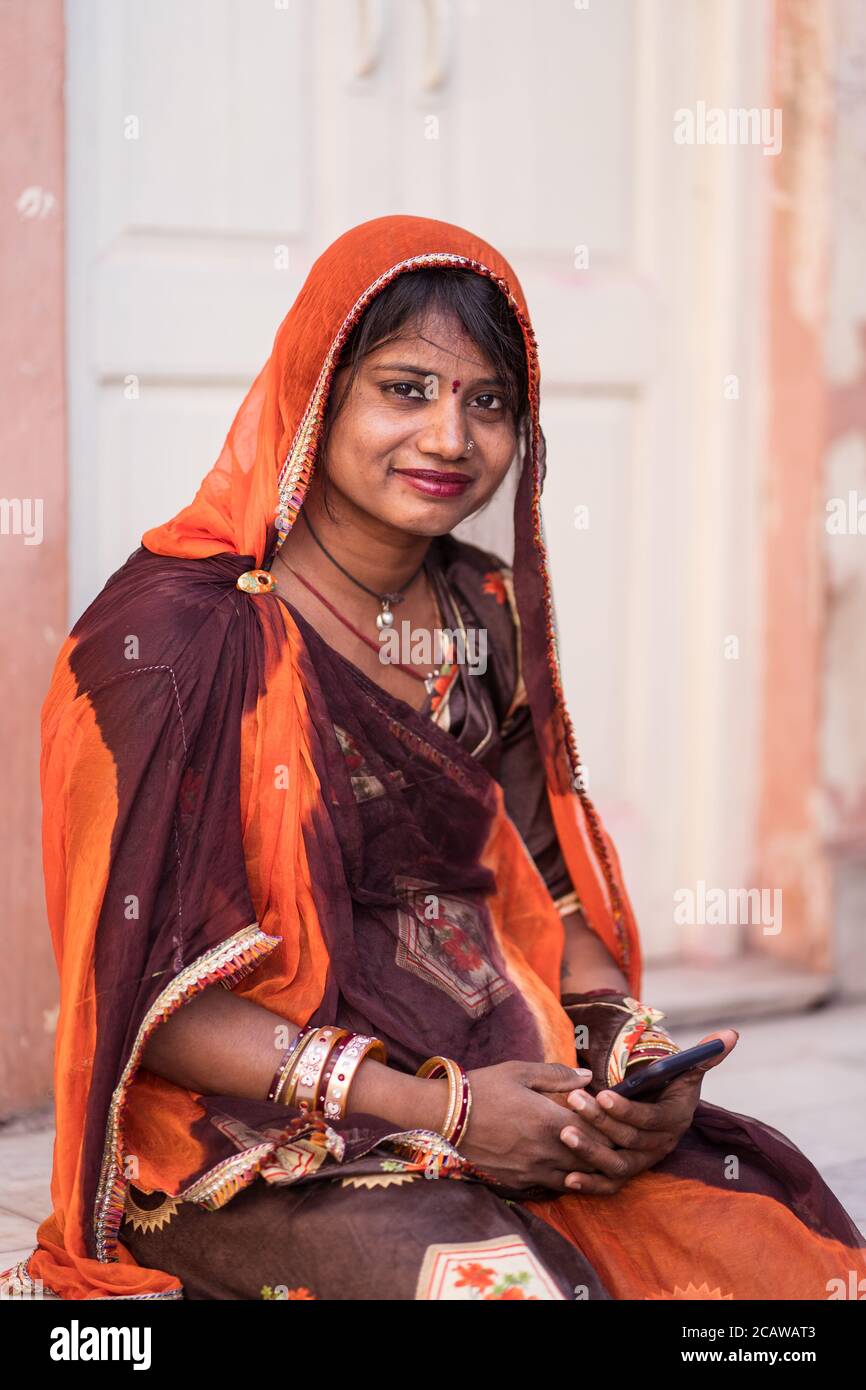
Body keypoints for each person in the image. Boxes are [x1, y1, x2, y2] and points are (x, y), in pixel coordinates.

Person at [8, 215, 865, 1302]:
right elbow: (149, 996)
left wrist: (624, 1056)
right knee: (508, 1291)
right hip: (251, 1141)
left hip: (499, 1081)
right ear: (317, 392)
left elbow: (549, 892)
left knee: (778, 1255)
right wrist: (444, 1114)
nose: (450, 437)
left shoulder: (479, 611)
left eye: (489, 402)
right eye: (404, 389)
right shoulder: (182, 638)